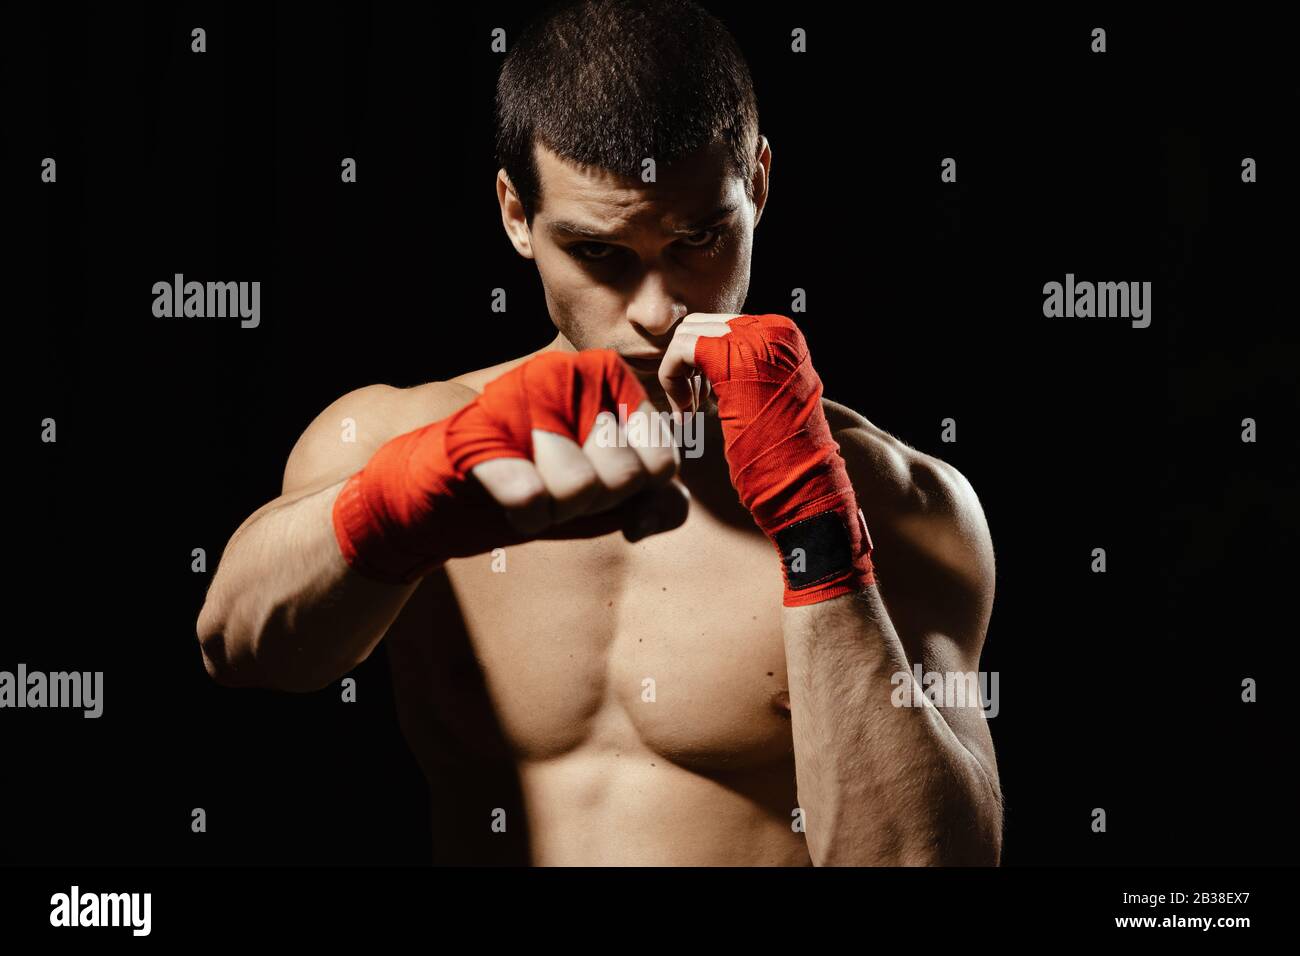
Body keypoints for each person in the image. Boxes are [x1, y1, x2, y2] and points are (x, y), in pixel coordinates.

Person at [196, 0, 1002, 865]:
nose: (658, 312)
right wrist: (399, 502)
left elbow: (922, 862)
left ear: (757, 188)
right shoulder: (401, 433)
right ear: (516, 214)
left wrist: (816, 528)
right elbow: (239, 648)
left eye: (698, 240)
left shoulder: (894, 500)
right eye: (601, 254)